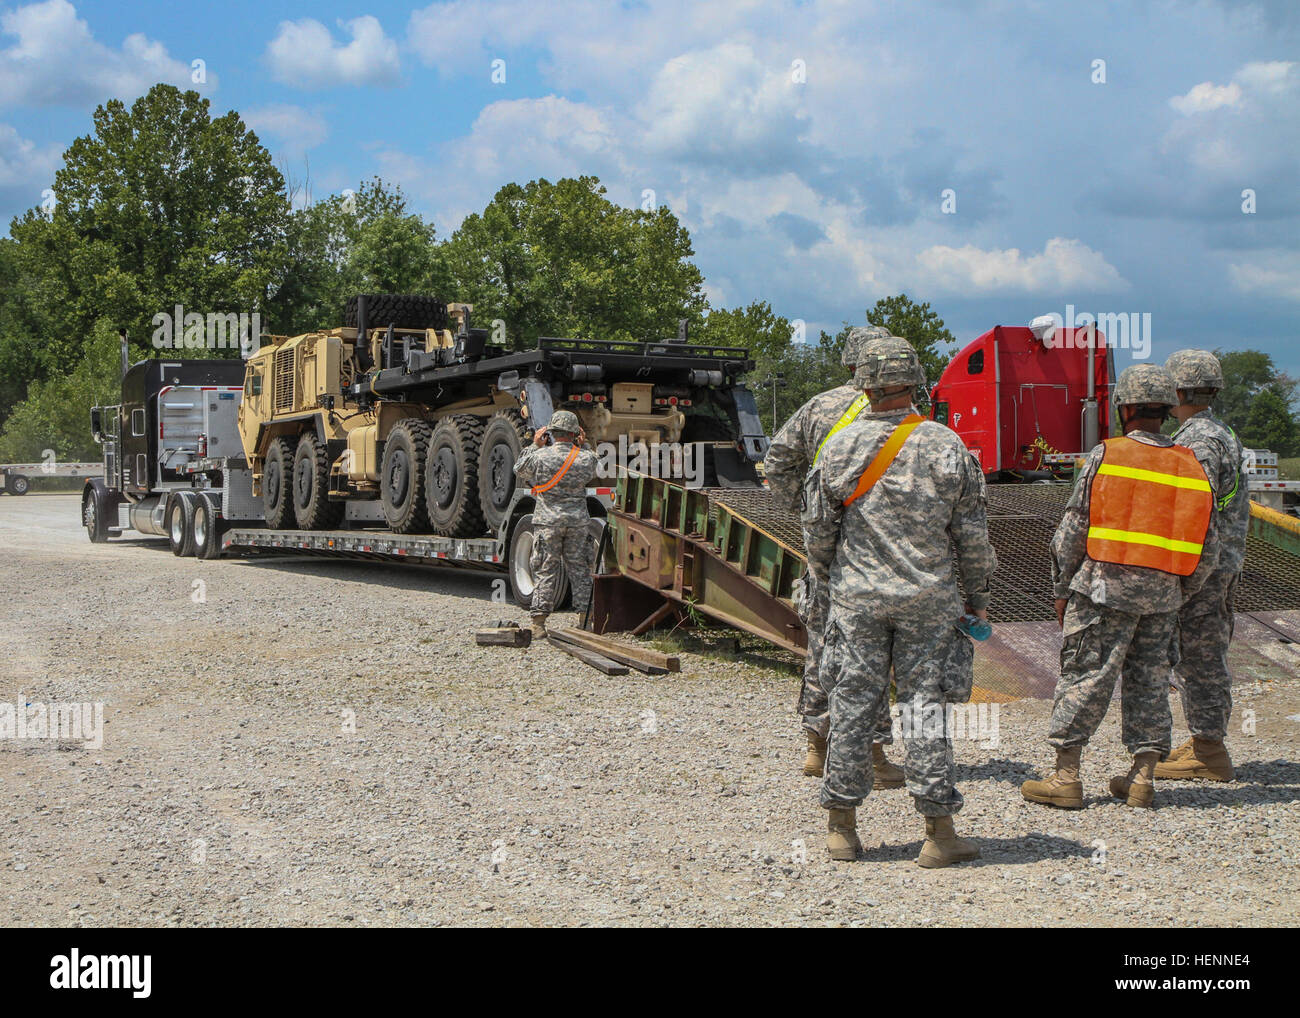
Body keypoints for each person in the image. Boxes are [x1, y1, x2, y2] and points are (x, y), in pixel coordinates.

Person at [803, 334, 996, 868]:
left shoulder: (839, 447)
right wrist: (978, 598)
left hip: (858, 600)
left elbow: (817, 529)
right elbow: (973, 537)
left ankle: (842, 830)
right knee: (924, 712)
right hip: (928, 602)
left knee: (852, 708)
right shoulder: (946, 444)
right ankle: (939, 834)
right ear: (915, 383)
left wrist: (829, 580)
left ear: (863, 385)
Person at [1022, 364, 1218, 811]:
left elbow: (1072, 530)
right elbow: (1209, 548)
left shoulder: (1107, 455)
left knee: (1086, 676)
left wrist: (1061, 588)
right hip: (1163, 595)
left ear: (1125, 407)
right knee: (1150, 681)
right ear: (1167, 410)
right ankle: (1142, 777)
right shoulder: (1191, 464)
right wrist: (1178, 592)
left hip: (1103, 591)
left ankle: (1066, 777)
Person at [765, 325, 904, 786]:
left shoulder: (819, 406)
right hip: (882, 552)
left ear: (849, 363)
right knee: (875, 651)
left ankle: (815, 747)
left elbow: (777, 459)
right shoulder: (904, 412)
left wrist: (804, 509)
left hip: (826, 546)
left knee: (823, 644)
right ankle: (877, 756)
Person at [1155, 349, 1249, 782]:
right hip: (1218, 561)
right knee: (1202, 652)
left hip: (1204, 566)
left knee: (1200, 656)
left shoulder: (1199, 440)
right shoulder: (1219, 430)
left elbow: (1198, 506)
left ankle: (1210, 749)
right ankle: (1203, 737)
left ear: (1177, 390)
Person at [512, 410, 600, 637]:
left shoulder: (540, 456)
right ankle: (585, 621)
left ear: (550, 433)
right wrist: (585, 444)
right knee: (580, 570)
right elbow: (593, 466)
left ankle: (539, 624)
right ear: (575, 434)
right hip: (577, 522)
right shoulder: (584, 457)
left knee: (545, 570)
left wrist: (534, 445)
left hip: (548, 522)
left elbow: (520, 469)